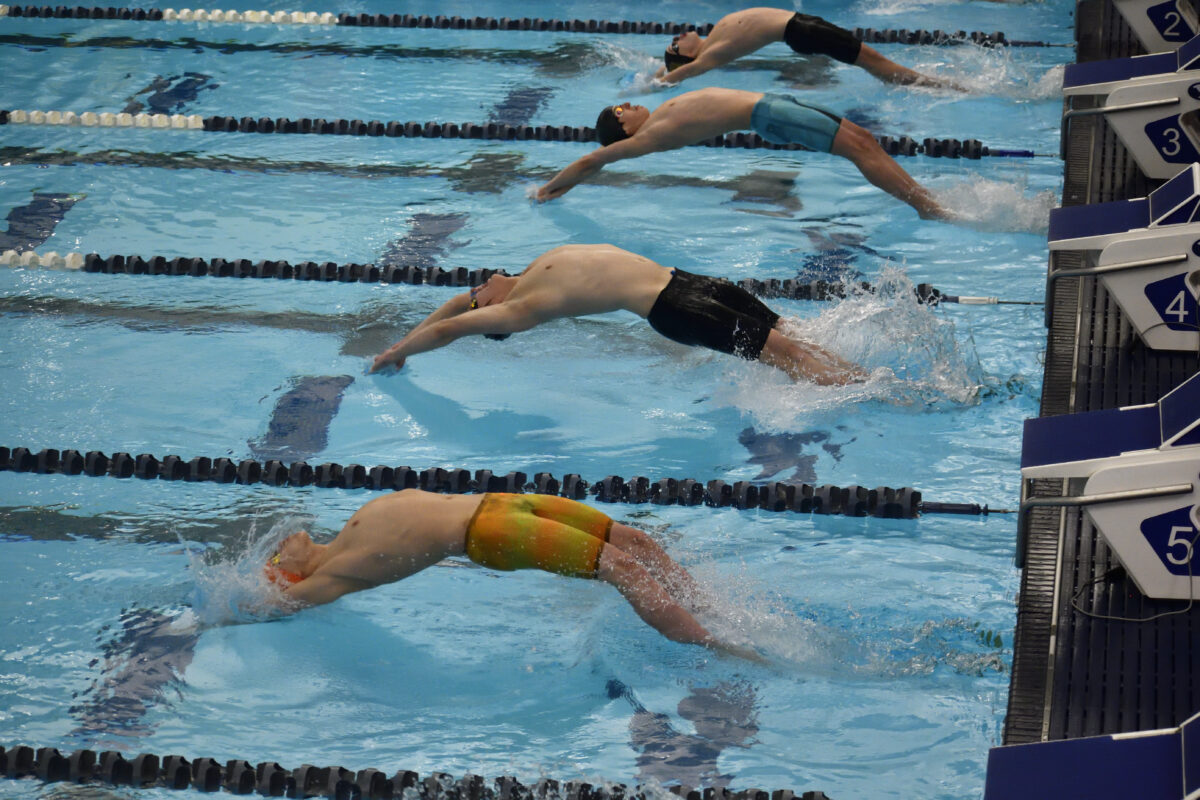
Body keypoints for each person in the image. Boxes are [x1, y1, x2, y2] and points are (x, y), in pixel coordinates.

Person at [263, 488, 760, 660]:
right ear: (297, 575)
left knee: (635, 541)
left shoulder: (343, 537)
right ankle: (717, 646)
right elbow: (282, 604)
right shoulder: (341, 575)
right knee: (626, 569)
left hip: (502, 503)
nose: (279, 548)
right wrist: (229, 610)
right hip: (488, 533)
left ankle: (708, 609)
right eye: (277, 561)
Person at [369, 244, 863, 384]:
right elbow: (456, 325)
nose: (474, 289)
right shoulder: (521, 308)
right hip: (674, 307)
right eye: (479, 296)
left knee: (790, 336)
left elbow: (455, 307)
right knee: (788, 353)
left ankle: (852, 373)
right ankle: (868, 389)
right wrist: (399, 351)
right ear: (493, 311)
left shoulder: (523, 276)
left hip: (688, 280)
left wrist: (431, 321)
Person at [535, 89, 948, 219]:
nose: (630, 104)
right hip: (767, 113)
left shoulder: (658, 118)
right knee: (859, 148)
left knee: (864, 140)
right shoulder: (645, 138)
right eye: (622, 109)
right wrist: (550, 188)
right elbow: (594, 160)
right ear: (622, 128)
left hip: (773, 103)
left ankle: (921, 197)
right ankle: (925, 206)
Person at [654, 9, 951, 89]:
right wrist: (656, 83)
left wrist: (661, 68)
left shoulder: (713, 41)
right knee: (874, 61)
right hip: (800, 31)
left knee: (872, 63)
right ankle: (941, 86)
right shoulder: (711, 55)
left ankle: (920, 83)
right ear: (687, 55)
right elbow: (685, 72)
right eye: (675, 43)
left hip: (800, 26)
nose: (679, 35)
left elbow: (676, 67)